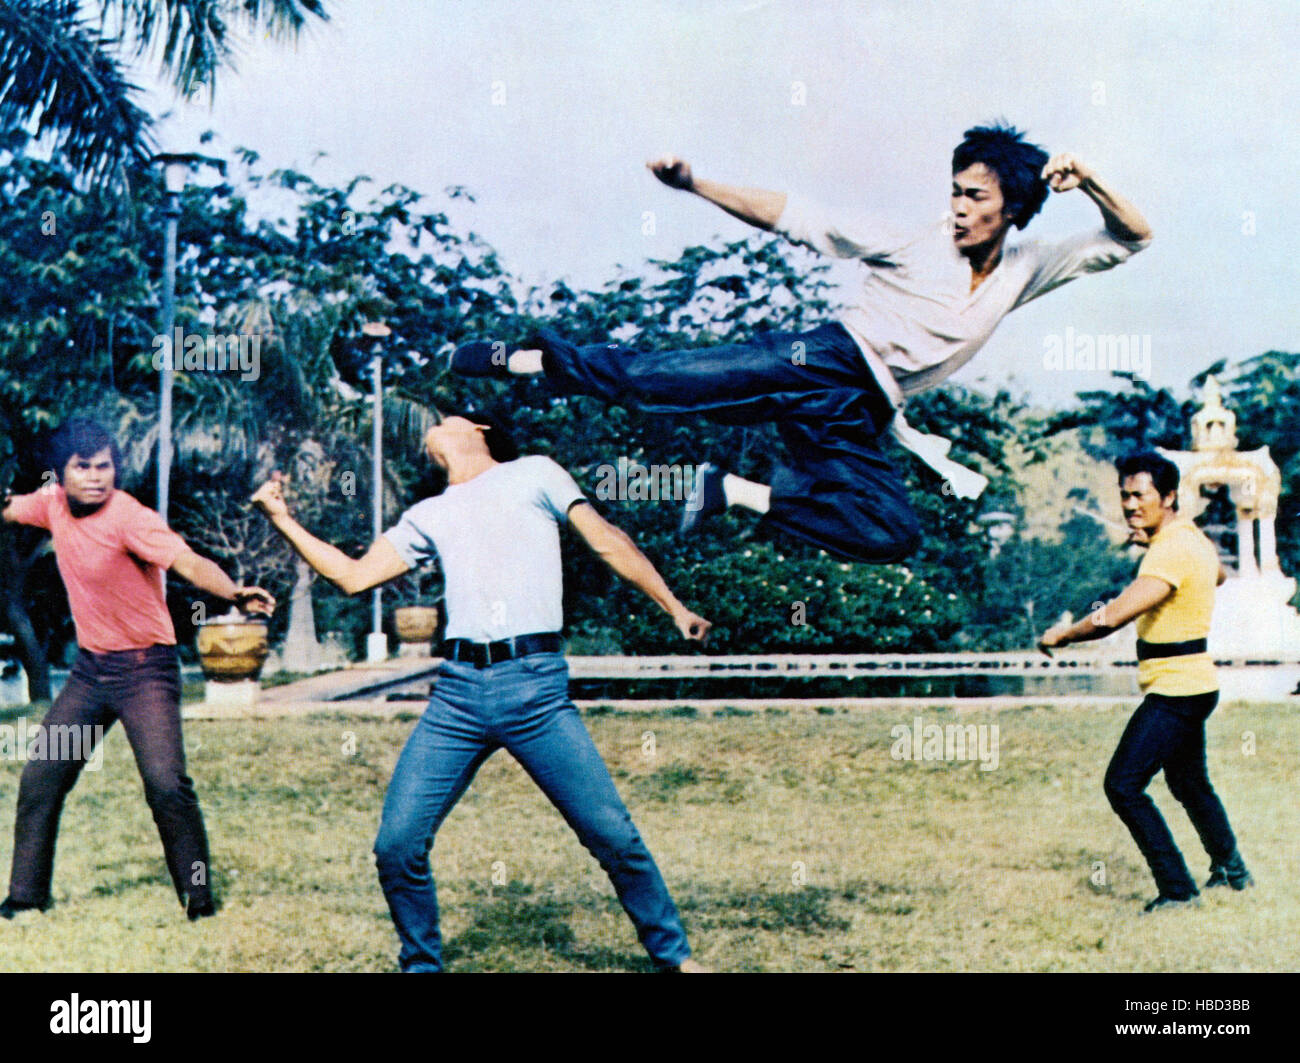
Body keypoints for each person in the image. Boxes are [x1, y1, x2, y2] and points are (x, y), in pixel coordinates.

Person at [451, 122, 1152, 564]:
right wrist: (695, 183)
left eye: (974, 197)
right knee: (662, 382)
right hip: (820, 362)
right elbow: (795, 216)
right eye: (955, 192)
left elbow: (1133, 236)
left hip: (861, 412)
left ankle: (732, 491)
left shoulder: (1028, 269)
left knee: (890, 530)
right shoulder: (918, 241)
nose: (959, 209)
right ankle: (525, 358)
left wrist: (1087, 178)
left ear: (1014, 207)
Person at [251, 409, 712, 972]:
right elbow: (351, 576)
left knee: (612, 834)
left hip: (535, 689)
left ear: (481, 430)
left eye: (446, 418)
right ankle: (421, 966)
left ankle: (676, 960)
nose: (433, 427)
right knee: (396, 846)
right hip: (458, 695)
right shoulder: (429, 514)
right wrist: (282, 518)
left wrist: (674, 606)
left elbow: (607, 541)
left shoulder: (535, 473)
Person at [0, 418, 275, 922]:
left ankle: (199, 898)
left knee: (166, 785)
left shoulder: (131, 518)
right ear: (61, 474)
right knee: (41, 777)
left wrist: (232, 592)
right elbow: (11, 509)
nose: (95, 477)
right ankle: (25, 897)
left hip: (145, 670)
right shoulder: (53, 504)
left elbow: (187, 562)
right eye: (83, 468)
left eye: (105, 467)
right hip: (89, 673)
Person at [1038, 452, 1253, 912]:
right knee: (1189, 783)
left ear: (1169, 497)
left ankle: (1178, 890)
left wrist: (1063, 634)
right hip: (1194, 683)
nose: (1130, 505)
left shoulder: (1171, 548)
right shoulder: (1188, 538)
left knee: (1123, 784)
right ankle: (1232, 870)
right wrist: (1156, 553)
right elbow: (1215, 574)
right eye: (1125, 496)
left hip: (1176, 689)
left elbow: (1111, 617)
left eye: (1140, 495)